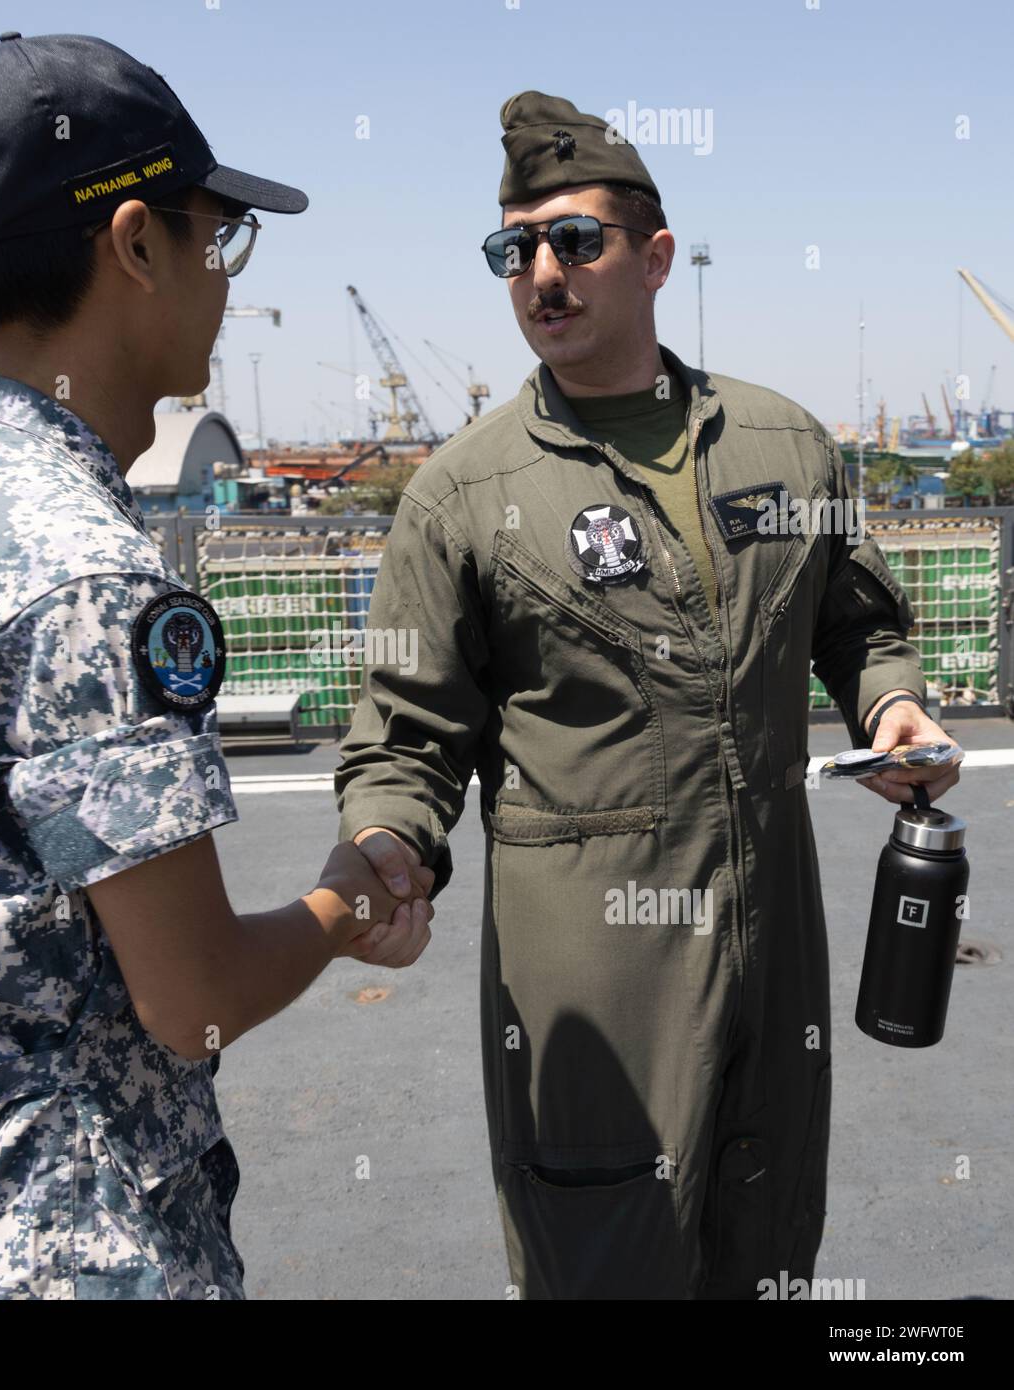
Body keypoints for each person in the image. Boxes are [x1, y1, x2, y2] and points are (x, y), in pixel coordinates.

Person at [0, 31, 432, 1301]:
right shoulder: (88, 575)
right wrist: (348, 903)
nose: (223, 276)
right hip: (68, 1243)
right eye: (214, 236)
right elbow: (190, 1002)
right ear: (135, 244)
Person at [335, 90, 960, 1300]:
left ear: (655, 256)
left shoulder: (786, 448)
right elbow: (406, 733)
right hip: (589, 969)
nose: (540, 274)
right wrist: (387, 846)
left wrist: (889, 707)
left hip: (776, 938)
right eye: (512, 249)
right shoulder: (463, 494)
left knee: (770, 1237)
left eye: (574, 240)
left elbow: (857, 618)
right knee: (601, 1259)